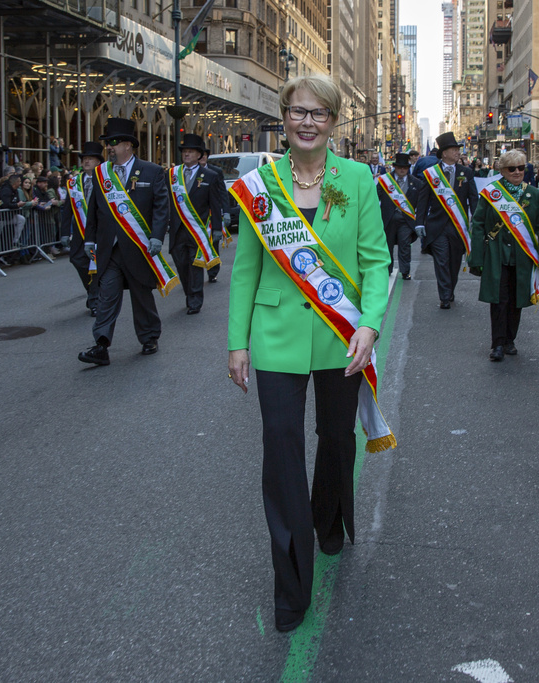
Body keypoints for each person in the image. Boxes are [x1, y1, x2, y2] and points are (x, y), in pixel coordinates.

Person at [227, 74, 393, 633]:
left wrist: (369, 325)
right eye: (298, 111)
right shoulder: (261, 184)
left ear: (333, 121)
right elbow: (246, 267)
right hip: (275, 337)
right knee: (281, 453)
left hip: (341, 334)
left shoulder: (358, 178)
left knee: (336, 437)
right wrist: (237, 342)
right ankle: (292, 585)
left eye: (318, 113)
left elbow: (375, 262)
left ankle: (329, 517)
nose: (307, 121)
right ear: (284, 117)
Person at [78, 117, 174, 365]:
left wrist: (156, 236)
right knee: (106, 296)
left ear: (129, 145)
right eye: (108, 143)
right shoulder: (101, 174)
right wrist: (89, 240)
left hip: (139, 247)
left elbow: (161, 207)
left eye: (114, 143)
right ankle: (101, 344)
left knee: (142, 296)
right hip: (109, 250)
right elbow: (93, 210)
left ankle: (149, 337)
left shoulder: (152, 171)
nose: (109, 147)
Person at [467, 149, 539, 361]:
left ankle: (509, 340)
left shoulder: (533, 194)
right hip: (496, 256)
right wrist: (476, 257)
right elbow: (477, 225)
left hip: (522, 256)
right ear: (502, 171)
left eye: (521, 168)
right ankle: (497, 343)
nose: (517, 172)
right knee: (499, 300)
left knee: (517, 300)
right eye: (512, 168)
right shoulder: (491, 192)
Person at [413, 132, 477, 308]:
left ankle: (450, 289)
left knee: (454, 262)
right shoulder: (431, 174)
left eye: (458, 149)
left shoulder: (467, 172)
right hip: (437, 226)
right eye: (454, 149)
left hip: (459, 227)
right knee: (441, 261)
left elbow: (474, 199)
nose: (458, 152)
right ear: (444, 153)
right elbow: (423, 201)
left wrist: (477, 224)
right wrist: (419, 223)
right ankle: (445, 296)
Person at [167, 133, 225, 314]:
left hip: (197, 230)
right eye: (184, 151)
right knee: (181, 264)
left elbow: (215, 203)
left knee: (195, 265)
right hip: (177, 230)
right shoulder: (171, 175)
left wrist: (217, 227)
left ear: (199, 155)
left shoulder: (210, 176)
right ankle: (189, 292)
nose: (186, 155)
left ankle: (195, 300)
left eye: (190, 152)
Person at [64, 141, 104, 315]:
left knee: (96, 264)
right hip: (80, 230)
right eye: (84, 159)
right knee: (77, 260)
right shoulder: (74, 183)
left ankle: (95, 300)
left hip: (99, 230)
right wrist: (64, 232)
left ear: (98, 162)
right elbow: (67, 209)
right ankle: (92, 292)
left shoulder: (105, 180)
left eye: (90, 158)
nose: (86, 161)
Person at [376, 151, 424, 279]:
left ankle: (405, 271)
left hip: (406, 220)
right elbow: (374, 199)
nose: (402, 170)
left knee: (405, 245)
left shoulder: (416, 183)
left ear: (408, 168)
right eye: (399, 167)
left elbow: (421, 204)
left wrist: (420, 221)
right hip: (389, 219)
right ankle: (388, 269)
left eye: (405, 168)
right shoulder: (385, 181)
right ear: (395, 167)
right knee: (388, 245)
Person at [198, 149, 228, 283]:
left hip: (211, 214)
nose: (203, 157)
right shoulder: (185, 173)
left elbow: (223, 192)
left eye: (205, 155)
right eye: (201, 155)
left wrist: (226, 211)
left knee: (213, 244)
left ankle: (213, 272)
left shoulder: (216, 172)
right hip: (194, 215)